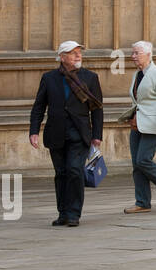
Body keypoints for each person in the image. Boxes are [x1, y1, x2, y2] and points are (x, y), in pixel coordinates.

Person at [29, 41, 104, 227]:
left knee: (74, 170)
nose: (78, 56)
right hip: (56, 133)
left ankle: (74, 213)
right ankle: (62, 212)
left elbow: (97, 110)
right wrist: (34, 131)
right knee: (61, 173)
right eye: (73, 53)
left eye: (79, 52)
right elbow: (39, 106)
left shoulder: (90, 77)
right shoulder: (49, 78)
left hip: (79, 134)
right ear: (62, 57)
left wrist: (97, 134)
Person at [123, 41, 156, 214]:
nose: (133, 56)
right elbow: (139, 101)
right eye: (132, 53)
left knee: (143, 160)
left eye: (136, 53)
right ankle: (142, 202)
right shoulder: (137, 74)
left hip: (153, 125)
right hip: (137, 124)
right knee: (136, 165)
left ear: (148, 54)